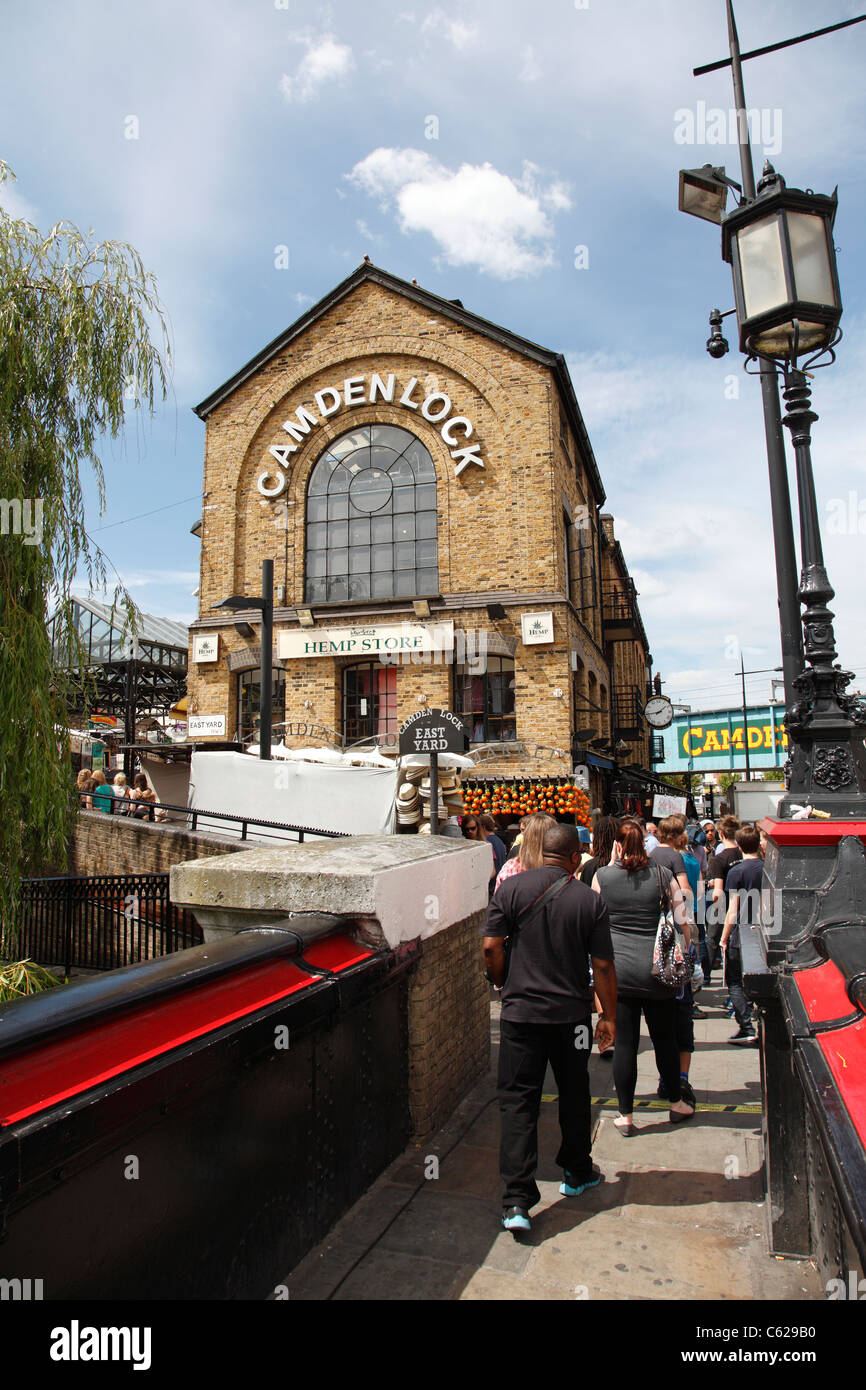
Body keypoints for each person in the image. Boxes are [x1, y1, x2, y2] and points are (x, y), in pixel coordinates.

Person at [482, 822, 617, 1235]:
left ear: (541, 853)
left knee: (518, 1102)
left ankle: (516, 1202)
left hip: (521, 1015)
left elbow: (490, 946)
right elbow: (605, 966)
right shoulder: (589, 902)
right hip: (571, 1016)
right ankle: (577, 1171)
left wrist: (502, 983)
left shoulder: (510, 890)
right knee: (574, 1094)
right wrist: (608, 1016)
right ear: (576, 858)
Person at [593, 819, 695, 1132]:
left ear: (618, 845)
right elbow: (683, 919)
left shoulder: (603, 876)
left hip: (618, 974)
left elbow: (591, 916)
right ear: (646, 843)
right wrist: (686, 951)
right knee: (665, 1038)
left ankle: (625, 1115)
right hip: (657, 971)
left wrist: (611, 864)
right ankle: (676, 1103)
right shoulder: (664, 875)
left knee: (625, 1044)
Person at [720, 824, 763, 1045]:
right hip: (763, 934)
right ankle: (761, 1024)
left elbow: (732, 910)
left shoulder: (736, 872)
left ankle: (746, 1026)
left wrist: (724, 936)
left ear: (738, 845)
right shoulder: (767, 868)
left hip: (740, 934)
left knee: (735, 982)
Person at [707, 815, 742, 981]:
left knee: (714, 939)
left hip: (725, 905)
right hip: (746, 905)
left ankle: (706, 975)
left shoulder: (718, 859)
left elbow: (718, 893)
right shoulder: (742, 853)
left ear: (720, 834)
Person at [494, 812, 555, 890]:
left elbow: (499, 897)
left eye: (523, 830)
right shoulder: (561, 868)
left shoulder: (511, 867)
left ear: (528, 834)